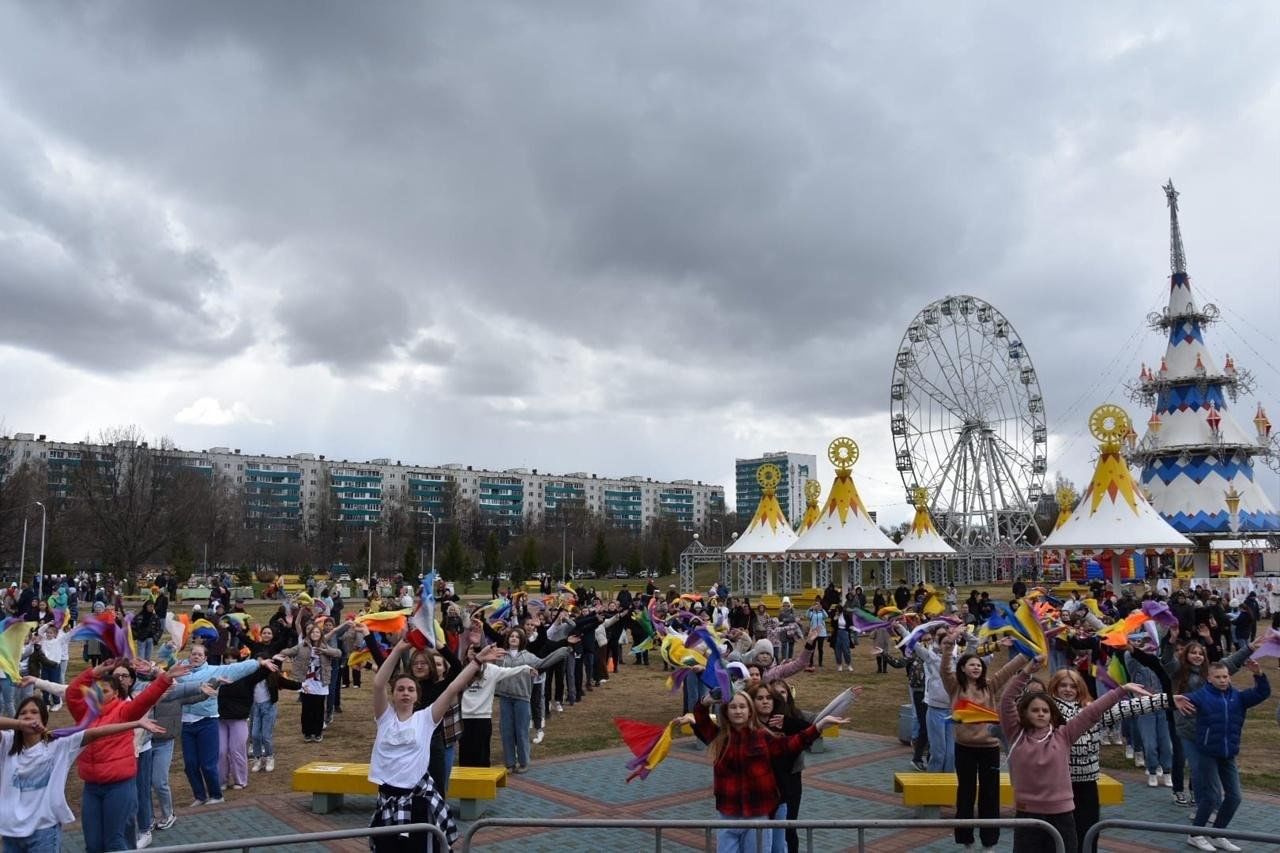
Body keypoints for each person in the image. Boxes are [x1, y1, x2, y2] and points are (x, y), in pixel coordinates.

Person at [367, 638, 505, 852]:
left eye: (410, 690)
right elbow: (378, 684)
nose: (405, 692)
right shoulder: (384, 718)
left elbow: (452, 688)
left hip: (417, 801)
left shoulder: (425, 718)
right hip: (387, 799)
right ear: (393, 694)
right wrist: (399, 648)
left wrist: (477, 661)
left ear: (417, 696)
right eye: (400, 689)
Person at [1000, 655, 1149, 853]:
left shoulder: (1063, 735)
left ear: (1052, 714)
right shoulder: (1017, 735)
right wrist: (1026, 672)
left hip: (1061, 814)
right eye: (1035, 710)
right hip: (1028, 813)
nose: (1041, 713)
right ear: (1025, 713)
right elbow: (1006, 700)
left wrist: (1122, 690)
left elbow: (1092, 713)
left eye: (1045, 710)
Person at [685, 689, 846, 853]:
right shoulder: (719, 737)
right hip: (728, 815)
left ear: (750, 712)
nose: (738, 711)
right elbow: (701, 718)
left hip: (758, 815)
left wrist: (818, 727)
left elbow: (791, 743)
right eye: (733, 707)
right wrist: (706, 700)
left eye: (742, 707)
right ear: (726, 712)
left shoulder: (763, 736)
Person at [0, 697, 166, 853]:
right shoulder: (6, 743)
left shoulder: (59, 745)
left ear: (43, 717)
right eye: (23, 712)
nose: (28, 715)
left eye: (34, 712)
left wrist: (135, 723)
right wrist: (20, 724)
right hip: (11, 832)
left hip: (44, 831)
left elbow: (96, 732)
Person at [67, 659, 187, 853]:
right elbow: (71, 693)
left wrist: (165, 677)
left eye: (104, 691)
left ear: (115, 693)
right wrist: (94, 672)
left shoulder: (123, 710)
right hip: (91, 787)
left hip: (119, 786)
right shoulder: (84, 713)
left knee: (115, 841)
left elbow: (145, 699)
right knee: (93, 844)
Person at [1047, 667, 1168, 852]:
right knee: (1062, 832)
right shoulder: (1047, 712)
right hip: (1059, 783)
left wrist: (1169, 700)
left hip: (1087, 782)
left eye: (1073, 686)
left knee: (1088, 830)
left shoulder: (1091, 709)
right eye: (1063, 685)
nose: (1068, 690)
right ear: (1054, 687)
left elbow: (1125, 708)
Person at [940, 628, 1024, 852]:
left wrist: (1027, 652)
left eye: (979, 664)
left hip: (989, 748)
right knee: (965, 793)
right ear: (963, 668)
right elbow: (945, 669)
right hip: (964, 748)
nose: (976, 667)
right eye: (971, 664)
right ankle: (966, 839)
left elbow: (1008, 670)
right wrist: (948, 645)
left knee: (990, 795)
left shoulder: (990, 686)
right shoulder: (955, 687)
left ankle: (989, 842)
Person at [1177, 658, 1270, 852]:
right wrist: (1173, 702)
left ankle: (1217, 833)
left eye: (1225, 676)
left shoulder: (1237, 697)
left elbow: (1263, 693)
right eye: (1218, 677)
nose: (1222, 680)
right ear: (1209, 679)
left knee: (1235, 796)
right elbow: (1181, 703)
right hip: (1207, 753)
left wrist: (1258, 674)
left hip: (1228, 753)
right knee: (1211, 796)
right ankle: (1194, 834)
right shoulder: (1202, 696)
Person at [172, 643, 276, 807]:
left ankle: (216, 795)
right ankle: (200, 796)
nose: (196, 656)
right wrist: (167, 649)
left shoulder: (214, 671)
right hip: (187, 723)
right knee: (190, 764)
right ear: (189, 656)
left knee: (208, 763)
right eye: (194, 654)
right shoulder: (182, 671)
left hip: (207, 721)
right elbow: (167, 665)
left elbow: (238, 668)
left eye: (200, 654)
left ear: (206, 658)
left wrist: (259, 663)